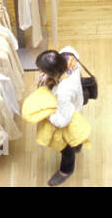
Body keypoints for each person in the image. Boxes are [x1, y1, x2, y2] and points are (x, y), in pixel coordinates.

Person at [36, 47, 85, 185]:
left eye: (43, 71)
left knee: (66, 146)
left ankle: (66, 169)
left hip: (69, 112)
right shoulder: (69, 53)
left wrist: (46, 113)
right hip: (77, 101)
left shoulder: (64, 92)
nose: (40, 72)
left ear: (53, 72)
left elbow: (62, 121)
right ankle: (79, 143)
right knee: (77, 131)